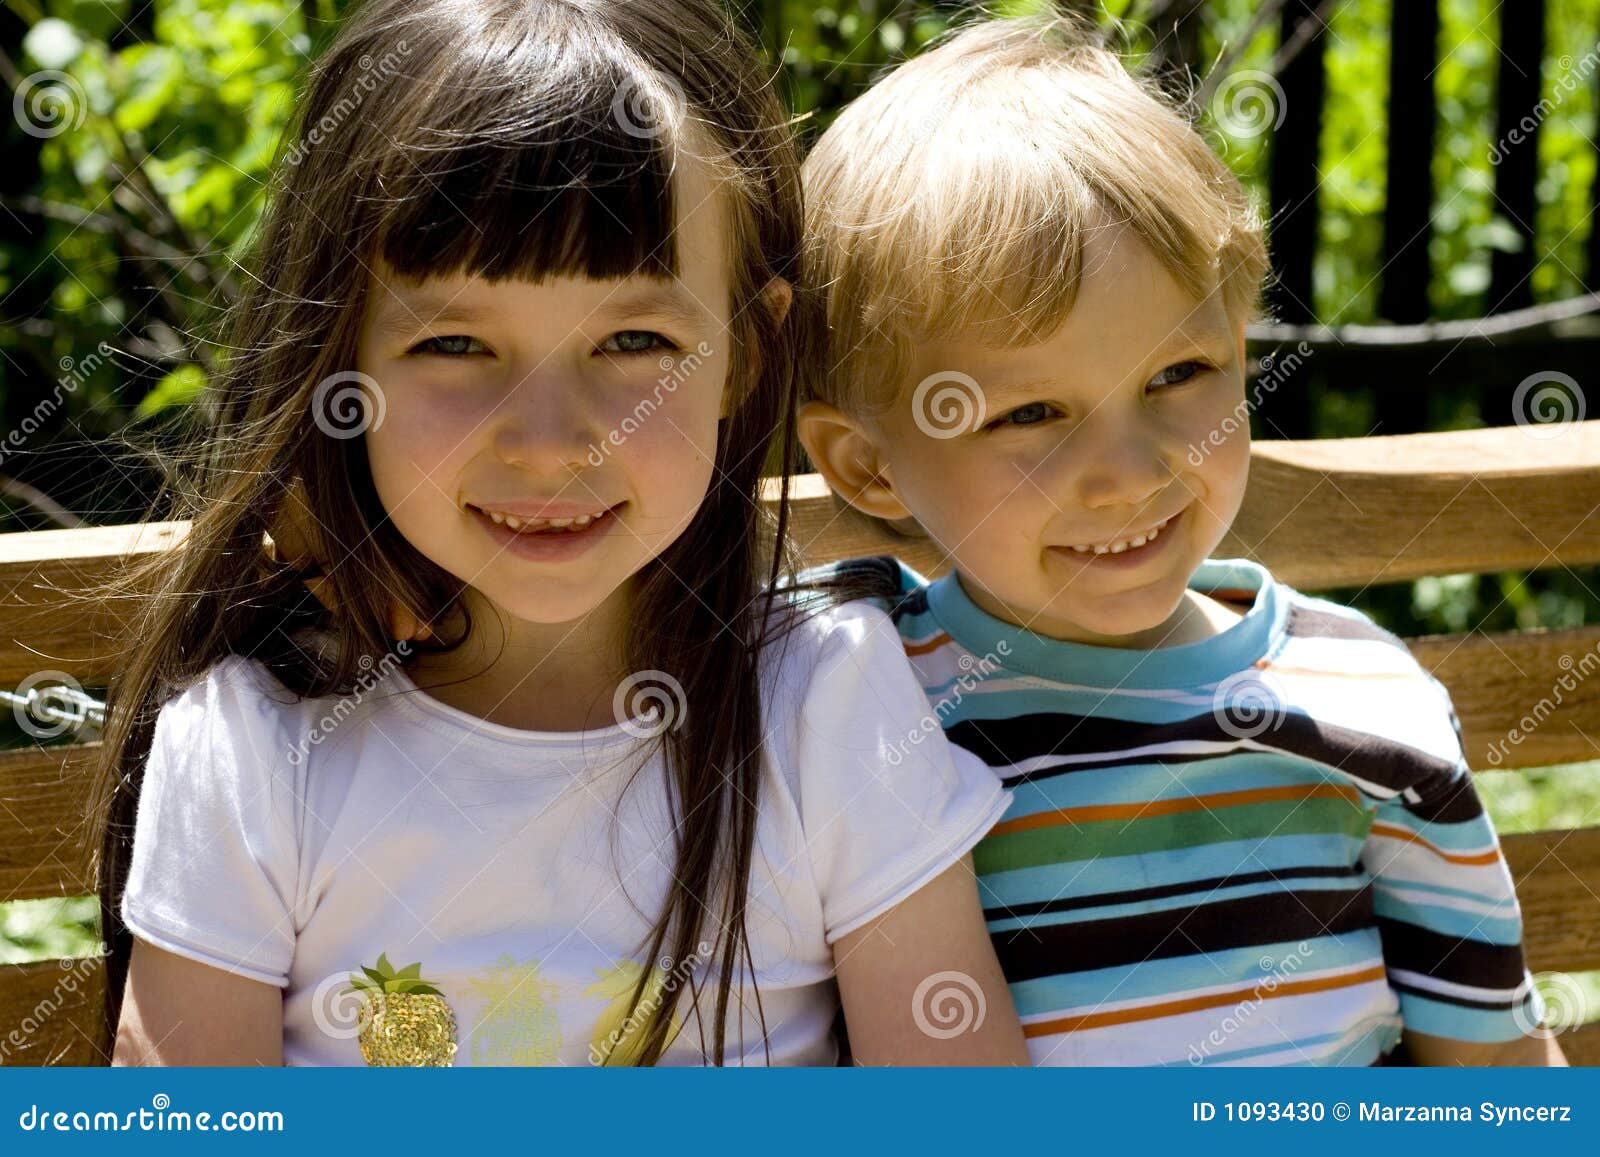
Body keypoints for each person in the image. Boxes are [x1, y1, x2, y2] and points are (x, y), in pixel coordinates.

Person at [94, 0, 1027, 1068]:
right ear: (340, 361)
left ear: (750, 357)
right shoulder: (251, 752)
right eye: (453, 342)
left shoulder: (825, 708)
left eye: (634, 339)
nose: (548, 441)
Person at [793, 14, 1562, 1067]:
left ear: (1239, 354)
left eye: (1176, 377)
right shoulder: (855, 700)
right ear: (868, 465)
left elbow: (1493, 1072)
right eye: (1026, 416)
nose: (1132, 471)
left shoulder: (1363, 699)